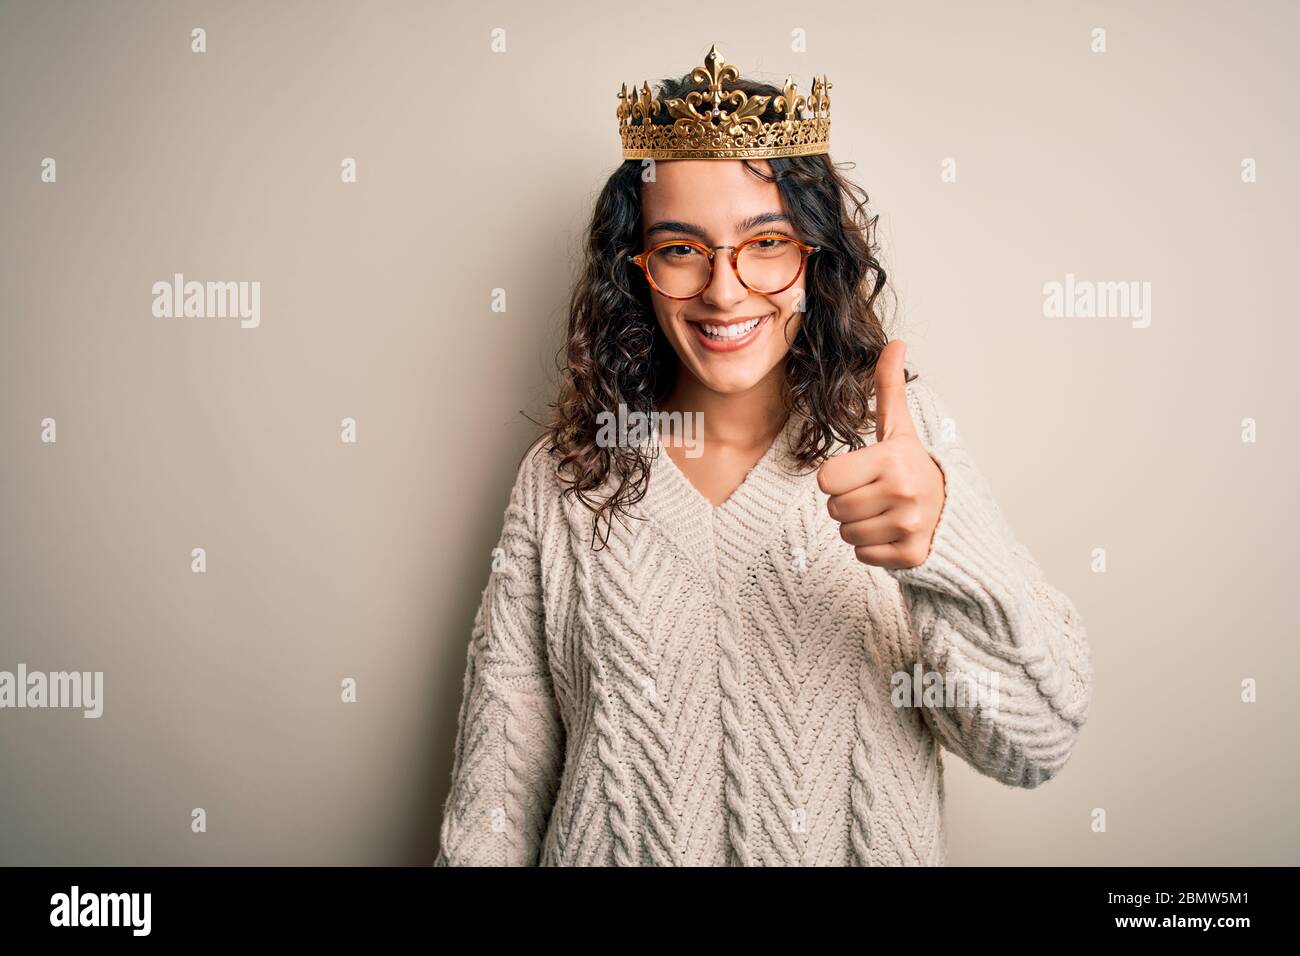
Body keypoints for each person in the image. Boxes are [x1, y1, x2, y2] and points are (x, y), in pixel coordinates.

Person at [434, 44, 1093, 866]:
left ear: (816, 259)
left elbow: (1035, 743)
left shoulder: (899, 446)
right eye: (680, 248)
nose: (724, 288)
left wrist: (943, 546)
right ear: (635, 270)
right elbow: (494, 806)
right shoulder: (567, 477)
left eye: (767, 242)